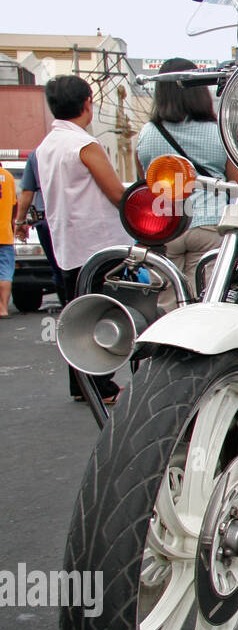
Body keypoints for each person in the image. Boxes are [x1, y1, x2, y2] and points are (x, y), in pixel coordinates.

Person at [34, 75, 132, 402]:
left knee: (75, 316)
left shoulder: (45, 146)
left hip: (64, 242)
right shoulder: (84, 145)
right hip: (96, 244)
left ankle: (81, 386)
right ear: (87, 103)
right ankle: (100, 387)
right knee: (101, 314)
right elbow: (116, 193)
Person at [135, 57, 238, 295]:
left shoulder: (148, 133)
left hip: (165, 226)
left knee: (168, 303)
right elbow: (235, 183)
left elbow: (145, 181)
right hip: (209, 226)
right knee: (206, 299)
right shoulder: (219, 133)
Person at [15, 153, 66, 305]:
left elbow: (27, 192)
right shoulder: (80, 147)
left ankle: (68, 305)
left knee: (58, 269)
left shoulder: (37, 154)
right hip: (73, 218)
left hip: (45, 220)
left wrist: (20, 222)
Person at [0, 166, 14, 317]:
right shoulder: (8, 176)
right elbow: (13, 204)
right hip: (4, 233)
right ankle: (3, 308)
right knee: (5, 273)